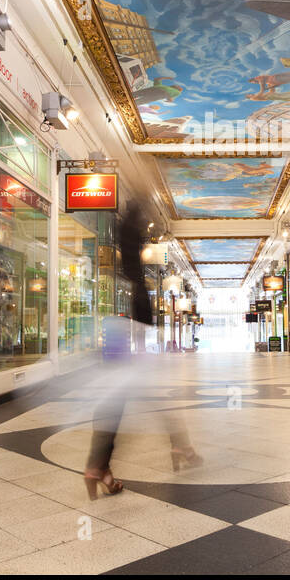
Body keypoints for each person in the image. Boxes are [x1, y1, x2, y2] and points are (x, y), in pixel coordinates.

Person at [83, 200, 202, 499]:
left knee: (115, 404)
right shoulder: (133, 285)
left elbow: (133, 270)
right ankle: (179, 445)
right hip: (134, 342)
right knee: (142, 399)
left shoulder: (123, 282)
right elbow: (135, 272)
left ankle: (98, 467)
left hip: (121, 343)